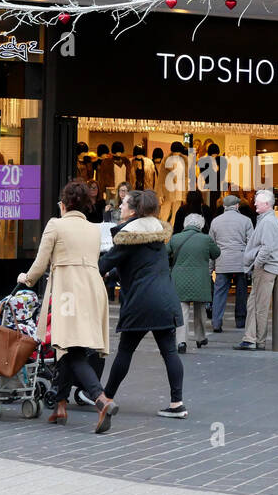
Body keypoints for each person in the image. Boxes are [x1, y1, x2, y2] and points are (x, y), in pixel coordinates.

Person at [17, 179, 110, 428]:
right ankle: (60, 405)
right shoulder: (93, 229)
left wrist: (26, 279)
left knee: (71, 348)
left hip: (68, 292)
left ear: (64, 204)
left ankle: (101, 399)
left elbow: (40, 264)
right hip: (93, 291)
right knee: (67, 346)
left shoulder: (55, 225)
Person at [98, 189, 186, 426]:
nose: (120, 207)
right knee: (170, 352)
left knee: (125, 351)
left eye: (124, 204)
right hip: (165, 300)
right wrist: (114, 274)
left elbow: (104, 263)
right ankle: (177, 404)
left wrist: (97, 270)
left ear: (134, 210)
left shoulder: (129, 235)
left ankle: (106, 397)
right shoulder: (156, 233)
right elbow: (141, 264)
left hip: (141, 302)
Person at [235, 188, 278, 351]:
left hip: (265, 268)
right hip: (266, 267)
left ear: (267, 204)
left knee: (258, 305)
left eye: (258, 202)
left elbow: (267, 247)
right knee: (255, 304)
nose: (254, 203)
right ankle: (253, 339)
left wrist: (257, 264)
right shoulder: (267, 220)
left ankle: (255, 339)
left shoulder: (267, 222)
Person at [169, 212, 219, 351]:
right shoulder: (206, 239)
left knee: (182, 311)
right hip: (200, 280)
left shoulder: (175, 238)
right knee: (200, 309)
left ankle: (181, 342)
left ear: (185, 224)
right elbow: (216, 253)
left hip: (179, 279)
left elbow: (165, 253)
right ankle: (200, 338)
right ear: (201, 225)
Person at [209, 193, 253, 333]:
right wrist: (250, 264)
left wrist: (210, 268)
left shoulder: (215, 221)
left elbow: (212, 246)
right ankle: (240, 320)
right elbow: (251, 244)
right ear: (237, 205)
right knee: (241, 292)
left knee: (219, 293)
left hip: (222, 261)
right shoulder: (246, 221)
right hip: (240, 261)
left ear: (224, 206)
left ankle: (216, 322)